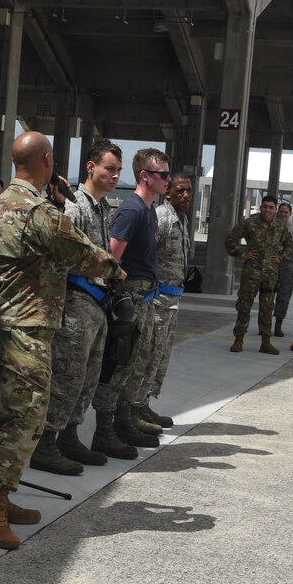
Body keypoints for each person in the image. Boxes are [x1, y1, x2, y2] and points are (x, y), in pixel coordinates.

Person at [0, 131, 122, 549]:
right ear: (48, 161)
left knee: (0, 412)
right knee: (25, 416)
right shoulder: (39, 211)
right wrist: (113, 268)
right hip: (28, 328)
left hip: (0, 323)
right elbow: (82, 252)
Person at [41, 142, 127, 468]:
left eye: (118, 170)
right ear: (91, 167)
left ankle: (69, 436)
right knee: (67, 377)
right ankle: (46, 443)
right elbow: (61, 256)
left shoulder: (103, 209)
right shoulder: (74, 208)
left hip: (97, 306)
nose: (115, 175)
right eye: (109, 168)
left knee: (88, 379)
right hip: (76, 305)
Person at [90, 148, 172, 448]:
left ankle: (123, 422)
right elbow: (111, 258)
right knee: (120, 362)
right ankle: (104, 431)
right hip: (132, 295)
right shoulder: (133, 209)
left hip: (147, 295)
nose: (167, 179)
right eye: (162, 174)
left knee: (136, 363)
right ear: (144, 177)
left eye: (167, 173)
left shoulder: (148, 210)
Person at [142, 173, 196, 418]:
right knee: (149, 355)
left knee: (161, 357)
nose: (185, 195)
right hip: (158, 300)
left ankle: (144, 403)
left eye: (189, 191)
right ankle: (135, 405)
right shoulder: (161, 218)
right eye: (180, 190)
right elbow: (146, 256)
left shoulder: (182, 219)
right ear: (167, 193)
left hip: (173, 301)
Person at [225, 194, 293, 354]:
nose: (267, 210)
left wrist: (282, 257)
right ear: (260, 207)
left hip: (270, 274)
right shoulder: (250, 223)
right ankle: (238, 339)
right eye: (265, 207)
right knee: (244, 306)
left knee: (267, 308)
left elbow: (290, 244)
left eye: (271, 207)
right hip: (252, 272)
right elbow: (230, 239)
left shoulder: (280, 226)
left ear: (275, 209)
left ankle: (265, 342)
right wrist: (242, 254)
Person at [271, 202, 293, 335]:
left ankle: (278, 325)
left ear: (290, 214)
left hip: (288, 268)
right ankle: (265, 325)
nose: (283, 214)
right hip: (271, 265)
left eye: (286, 212)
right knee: (267, 296)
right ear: (277, 212)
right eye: (281, 211)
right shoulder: (270, 227)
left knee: (283, 298)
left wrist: (290, 257)